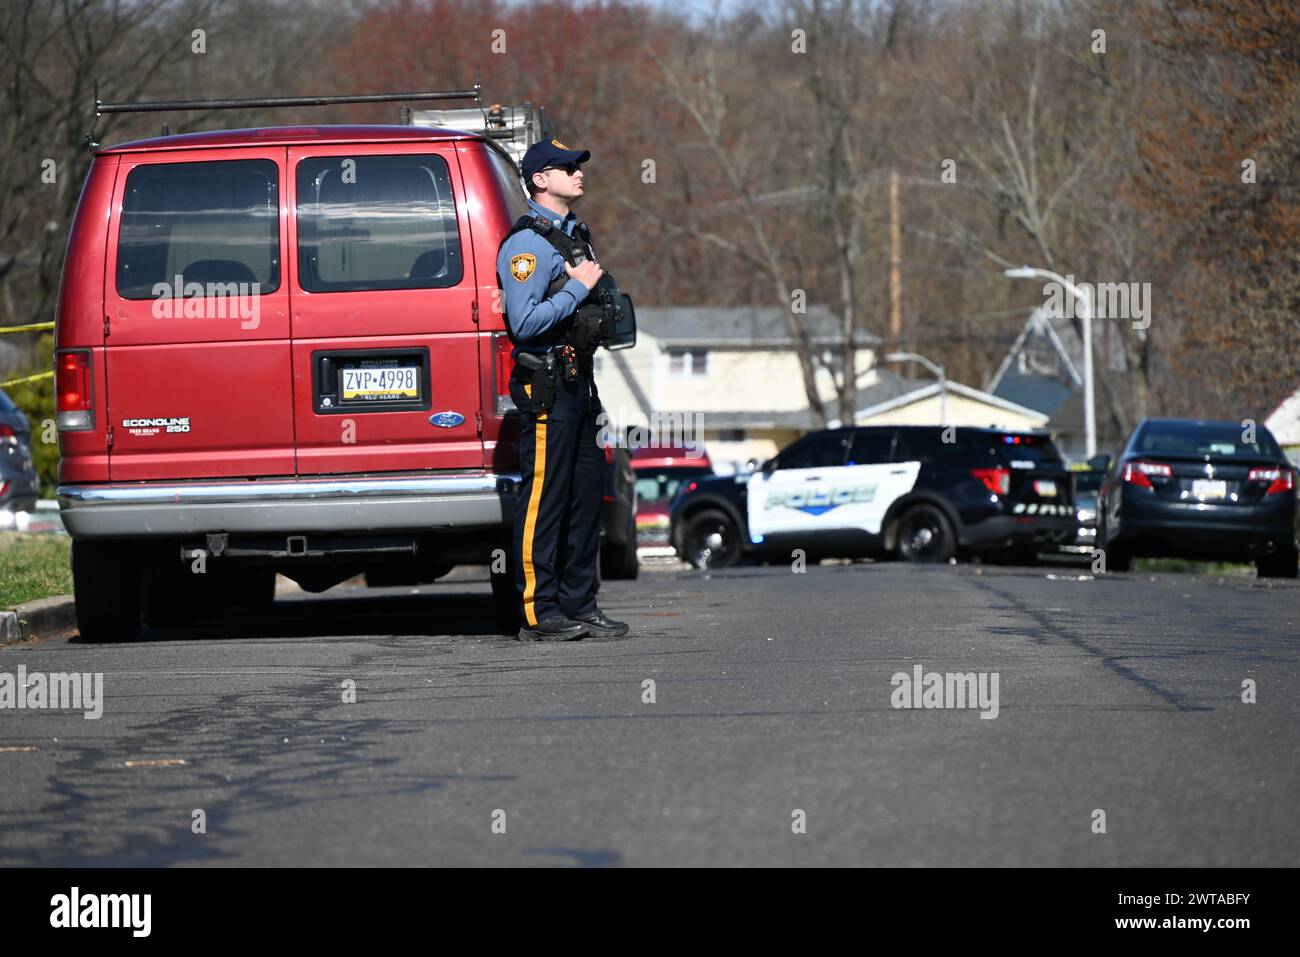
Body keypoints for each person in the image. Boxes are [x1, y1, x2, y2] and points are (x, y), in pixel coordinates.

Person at [497, 138, 630, 642]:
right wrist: (577, 288)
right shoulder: (528, 244)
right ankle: (539, 610)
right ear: (539, 180)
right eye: (566, 167)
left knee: (584, 497)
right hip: (547, 384)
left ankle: (580, 603)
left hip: (580, 382)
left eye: (578, 166)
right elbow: (524, 324)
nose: (578, 173)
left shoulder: (573, 235)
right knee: (545, 500)